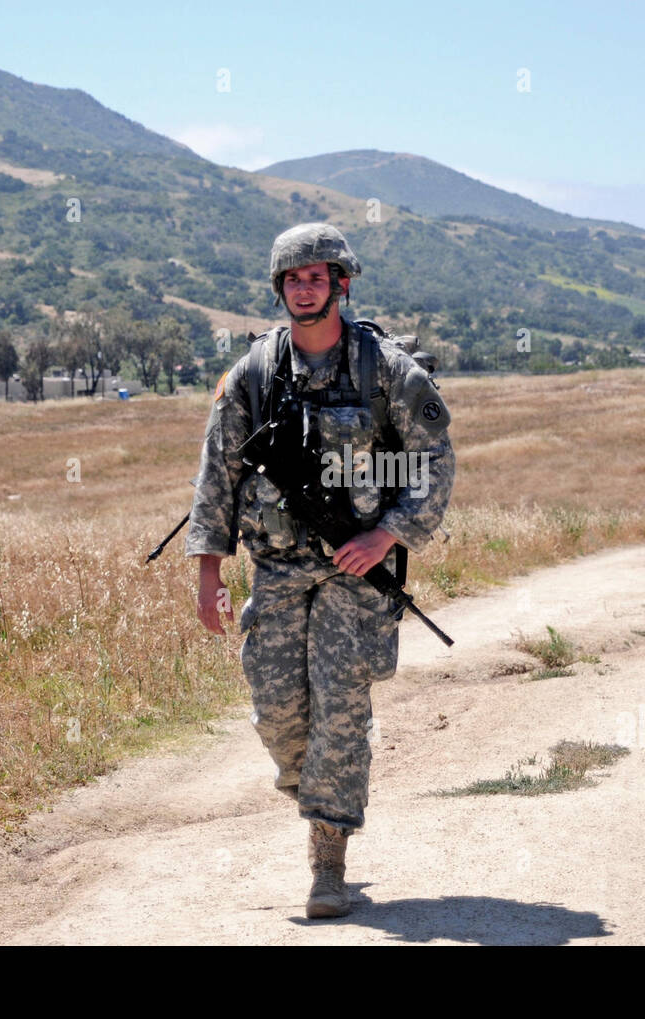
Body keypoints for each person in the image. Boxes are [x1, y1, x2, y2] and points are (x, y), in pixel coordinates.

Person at [184, 223, 455, 919]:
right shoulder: (253, 373)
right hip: (275, 573)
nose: (304, 288)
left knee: (340, 704)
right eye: (292, 279)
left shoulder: (384, 370)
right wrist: (209, 571)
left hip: (352, 577)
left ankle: (328, 858)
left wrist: (386, 533)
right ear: (281, 289)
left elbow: (434, 459)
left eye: (317, 276)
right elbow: (219, 473)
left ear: (342, 283)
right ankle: (318, 795)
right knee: (278, 716)